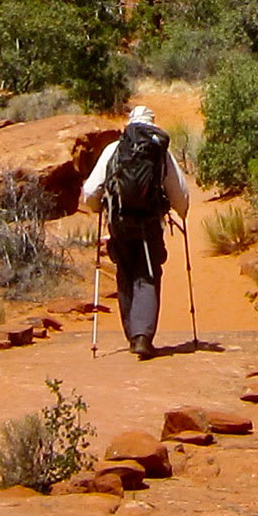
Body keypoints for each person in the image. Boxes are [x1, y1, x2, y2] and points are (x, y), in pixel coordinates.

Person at [78, 104, 193, 358]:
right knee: (148, 273)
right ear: (153, 123)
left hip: (119, 222)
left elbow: (90, 191)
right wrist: (182, 212)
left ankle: (132, 334)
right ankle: (142, 336)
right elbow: (179, 193)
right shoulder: (159, 151)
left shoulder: (114, 149)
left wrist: (100, 208)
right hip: (149, 223)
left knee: (125, 271)